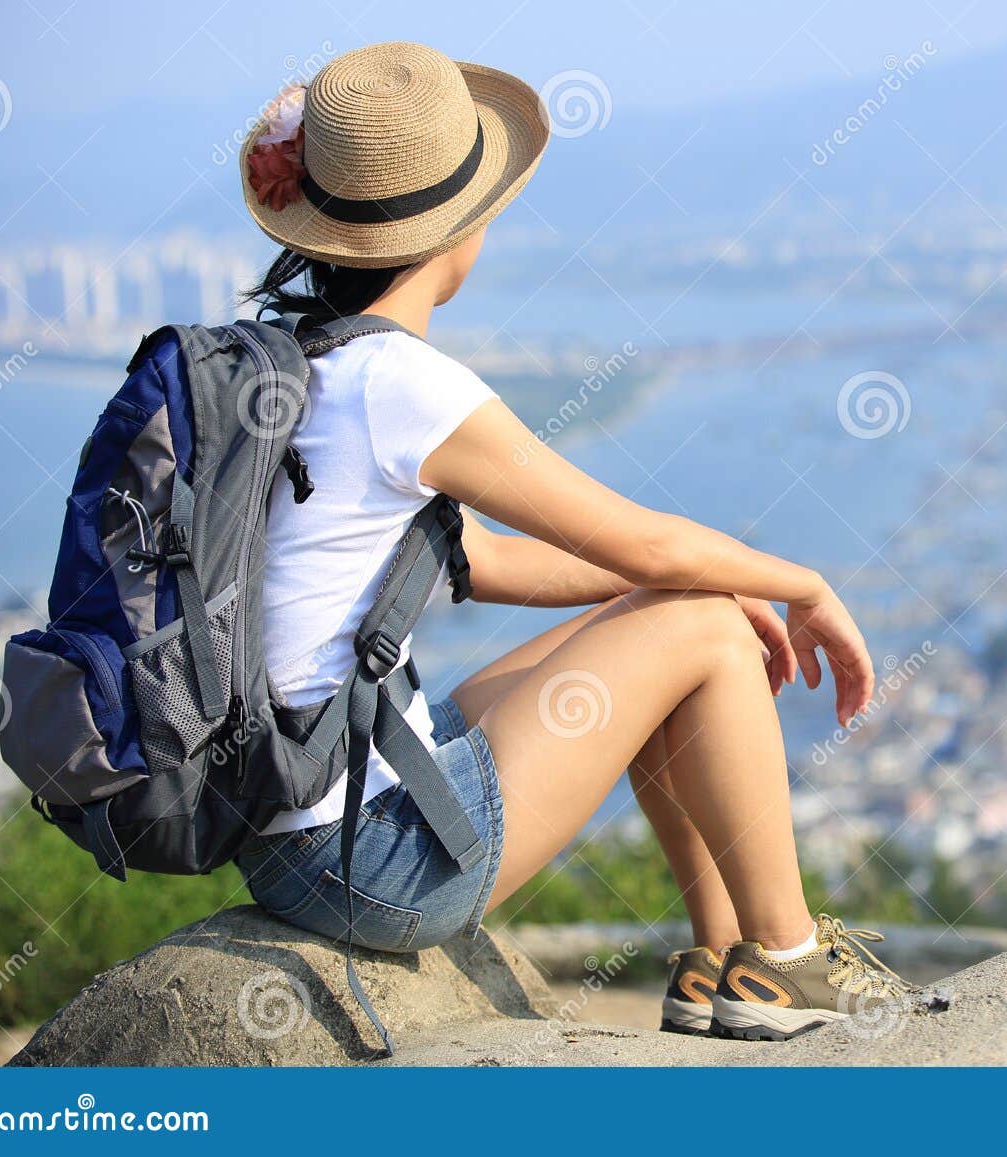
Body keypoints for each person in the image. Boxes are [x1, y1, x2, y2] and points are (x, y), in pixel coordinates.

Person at [233, 40, 921, 1041]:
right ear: (460, 229)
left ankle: (719, 958)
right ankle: (788, 956)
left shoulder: (305, 367)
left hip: (291, 831)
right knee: (705, 626)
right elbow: (645, 542)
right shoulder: (402, 385)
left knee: (670, 619)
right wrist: (798, 584)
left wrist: (676, 597)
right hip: (374, 856)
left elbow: (491, 560)